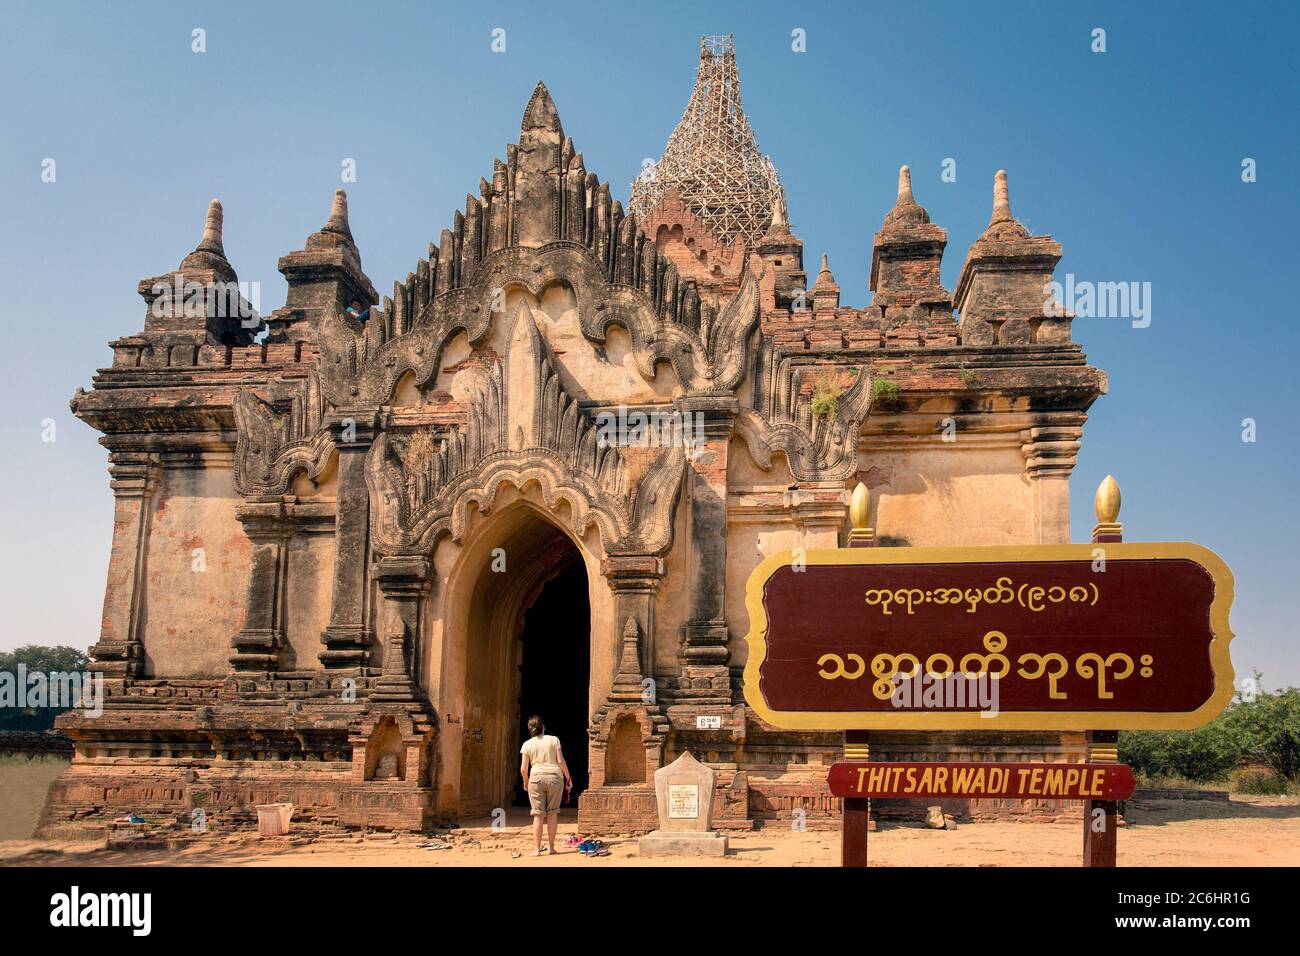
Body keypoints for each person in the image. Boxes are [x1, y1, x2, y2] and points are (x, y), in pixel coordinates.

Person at [519, 715, 572, 856]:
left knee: (538, 815)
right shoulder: (554, 739)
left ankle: (536, 849)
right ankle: (551, 847)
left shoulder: (527, 744)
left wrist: (526, 781)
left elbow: (523, 768)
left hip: (535, 778)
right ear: (543, 727)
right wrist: (568, 778)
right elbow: (560, 761)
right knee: (552, 813)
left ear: (531, 730)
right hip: (555, 777)